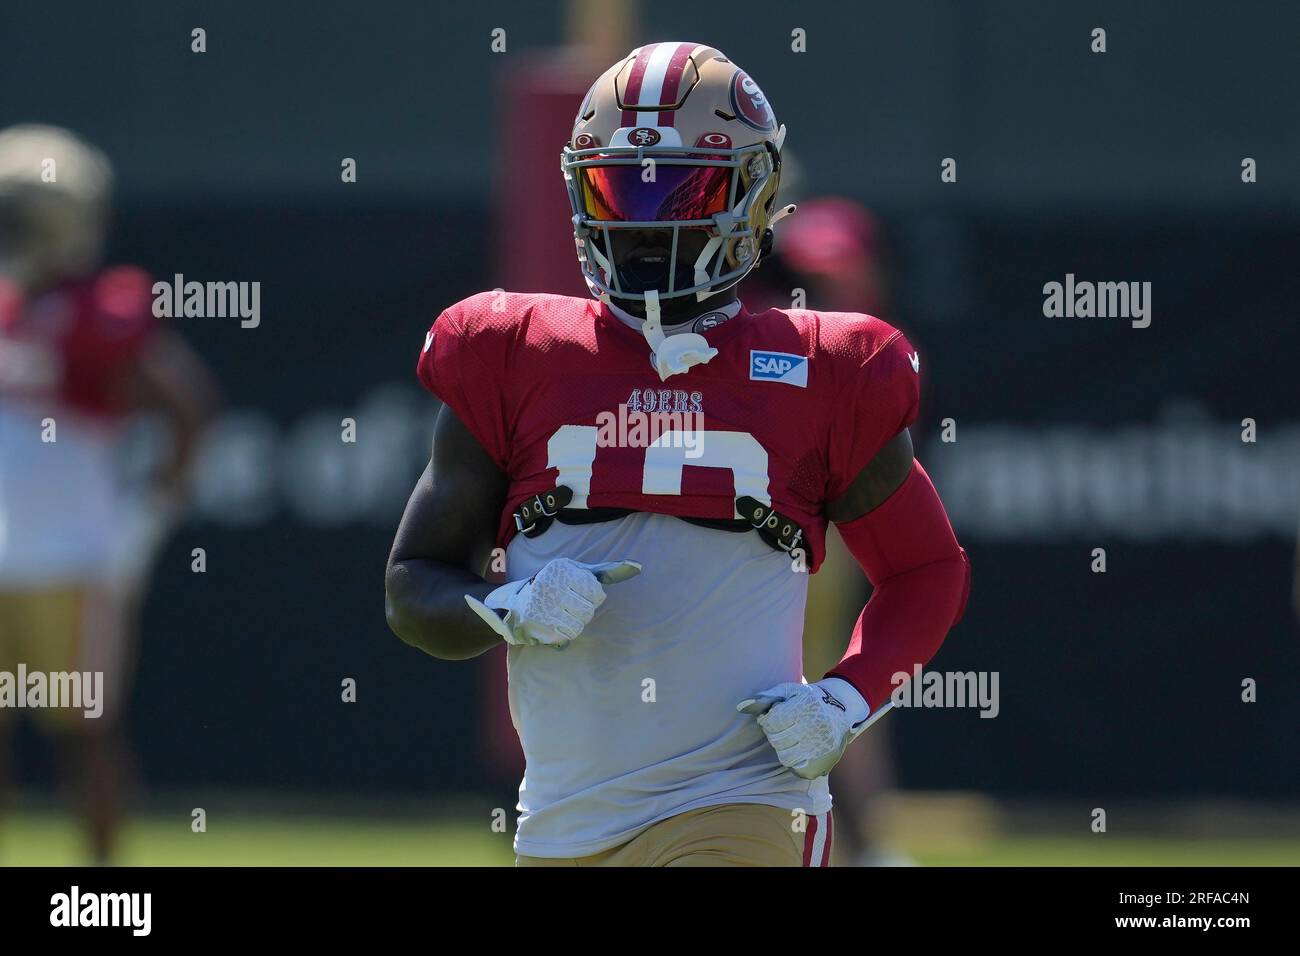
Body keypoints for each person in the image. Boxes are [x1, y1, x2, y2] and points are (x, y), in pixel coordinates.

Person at [386, 43, 969, 867]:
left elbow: (926, 570)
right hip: (560, 823)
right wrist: (502, 607)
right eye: (621, 186)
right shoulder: (510, 352)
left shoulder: (825, 369)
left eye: (682, 187)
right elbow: (412, 589)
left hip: (743, 798)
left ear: (755, 192)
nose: (649, 218)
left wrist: (847, 695)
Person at [0, 125, 218, 863]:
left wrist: (143, 525)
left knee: (86, 732)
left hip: (70, 558)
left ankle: (101, 896)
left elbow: (188, 406)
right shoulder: (8, 305)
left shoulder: (97, 309)